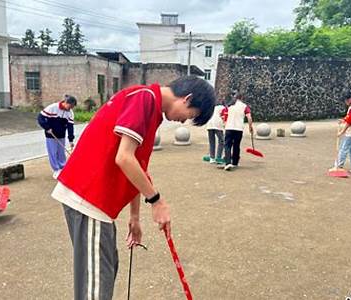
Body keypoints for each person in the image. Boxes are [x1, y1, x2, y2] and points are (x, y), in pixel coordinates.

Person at [51, 76, 215, 300]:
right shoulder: (144, 99)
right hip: (88, 197)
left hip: (97, 203)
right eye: (191, 116)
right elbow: (125, 158)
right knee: (96, 286)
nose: (184, 122)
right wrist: (156, 201)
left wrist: (135, 216)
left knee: (106, 271)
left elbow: (135, 166)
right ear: (187, 99)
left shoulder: (151, 107)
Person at [37, 95, 77, 179]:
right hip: (51, 135)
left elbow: (70, 127)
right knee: (53, 152)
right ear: (65, 103)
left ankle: (62, 168)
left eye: (72, 107)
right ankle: (56, 170)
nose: (70, 109)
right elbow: (40, 118)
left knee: (61, 152)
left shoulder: (70, 113)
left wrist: (71, 140)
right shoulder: (52, 107)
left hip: (61, 135)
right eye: (70, 106)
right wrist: (47, 128)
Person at [219, 92, 254, 171]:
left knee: (227, 145)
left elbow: (223, 115)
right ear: (242, 98)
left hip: (229, 127)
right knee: (236, 145)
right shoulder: (244, 106)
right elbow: (249, 117)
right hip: (239, 129)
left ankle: (228, 163)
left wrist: (225, 123)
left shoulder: (230, 106)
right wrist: (250, 127)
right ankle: (235, 162)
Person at [206, 99, 225, 164]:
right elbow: (223, 117)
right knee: (221, 141)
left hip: (209, 125)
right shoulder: (223, 108)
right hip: (218, 125)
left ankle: (212, 158)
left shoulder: (211, 107)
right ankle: (218, 157)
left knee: (212, 142)